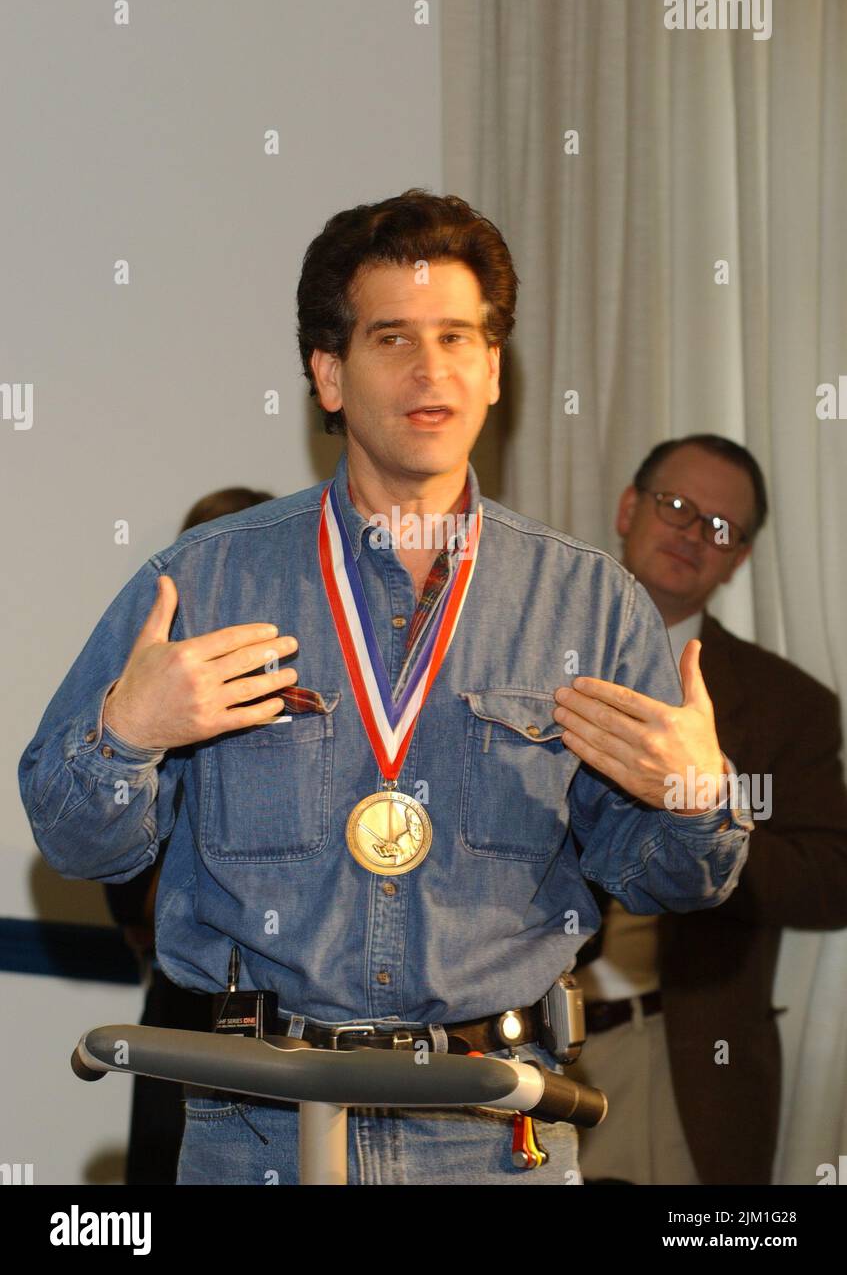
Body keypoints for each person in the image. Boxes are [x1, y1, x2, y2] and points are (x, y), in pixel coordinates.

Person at [19, 192, 751, 1186]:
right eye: (391, 337)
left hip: (499, 1130)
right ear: (329, 374)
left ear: (494, 370)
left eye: (459, 336)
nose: (431, 367)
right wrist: (125, 736)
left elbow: (667, 878)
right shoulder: (204, 582)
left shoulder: (586, 603)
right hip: (257, 1125)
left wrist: (697, 798)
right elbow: (73, 839)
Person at [569, 435, 847, 1186]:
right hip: (522, 1052)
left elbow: (831, 878)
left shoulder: (788, 703)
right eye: (678, 507)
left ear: (740, 559)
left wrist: (704, 823)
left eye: (721, 528)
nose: (695, 534)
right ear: (629, 508)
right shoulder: (531, 653)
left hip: (686, 1058)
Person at [103, 486, 274, 1185]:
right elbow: (125, 896)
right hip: (186, 1009)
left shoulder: (298, 699)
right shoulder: (141, 711)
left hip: (300, 1025)